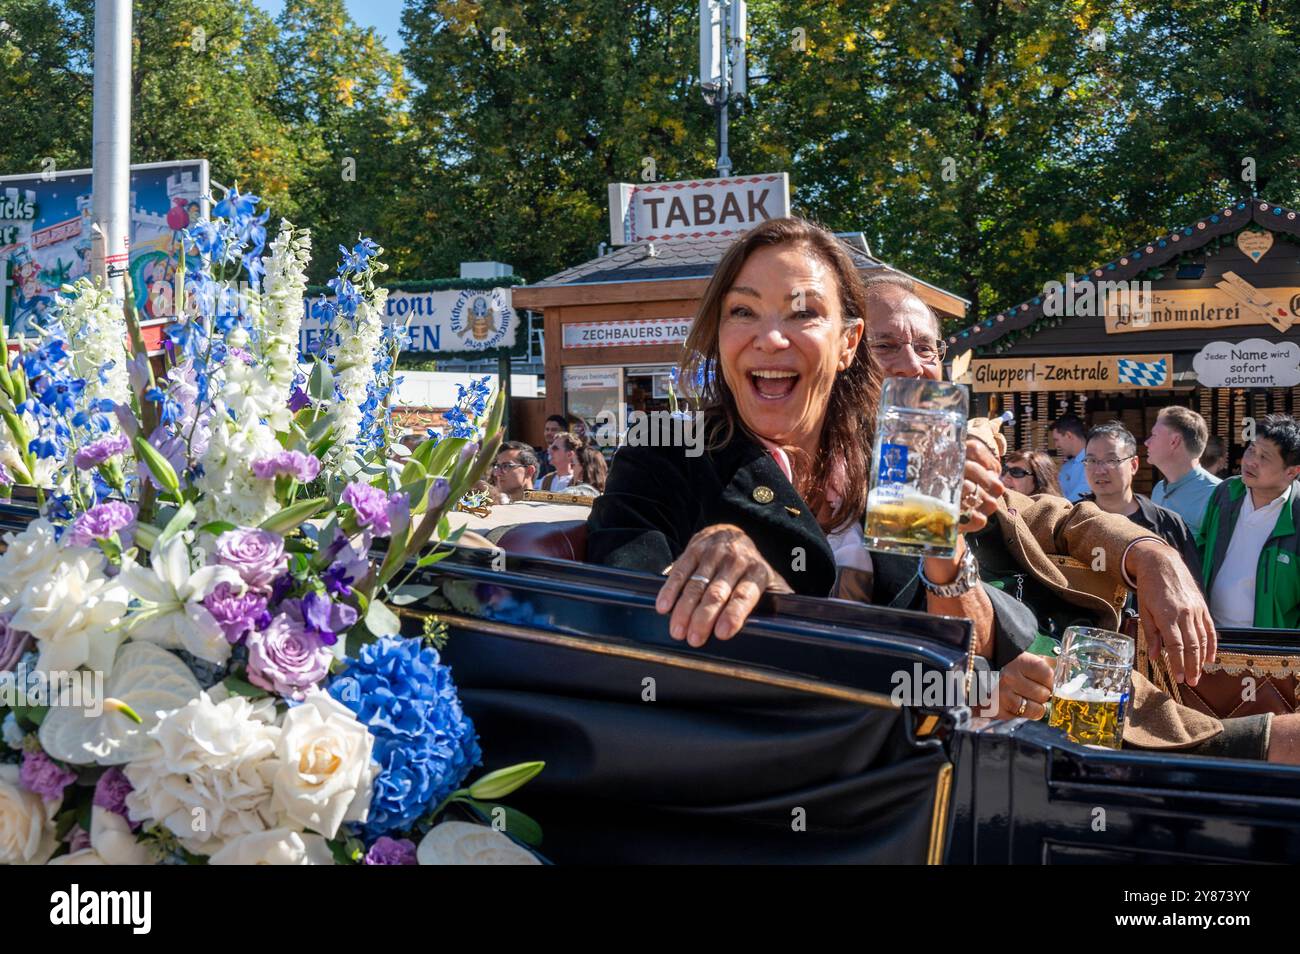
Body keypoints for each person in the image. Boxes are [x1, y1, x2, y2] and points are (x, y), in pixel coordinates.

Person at [588, 217, 1002, 658]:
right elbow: (622, 620)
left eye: (803, 312)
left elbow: (964, 657)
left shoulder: (898, 458)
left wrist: (944, 538)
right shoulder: (666, 454)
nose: (769, 338)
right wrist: (745, 579)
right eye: (743, 311)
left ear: (848, 344)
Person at [859, 273, 1215, 687]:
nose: (913, 366)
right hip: (980, 706)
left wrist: (1152, 554)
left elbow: (1059, 518)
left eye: (926, 348)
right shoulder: (828, 473)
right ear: (844, 351)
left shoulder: (927, 458)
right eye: (884, 346)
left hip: (1063, 682)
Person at [1199, 414, 1300, 630]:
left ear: (1291, 472)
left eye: (1265, 457)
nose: (1251, 461)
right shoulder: (1226, 493)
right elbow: (1201, 549)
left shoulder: (1297, 513)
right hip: (1213, 636)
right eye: (1252, 450)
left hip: (1272, 648)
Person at [1082, 421, 1200, 582]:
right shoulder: (1072, 521)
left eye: (1111, 460)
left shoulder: (1167, 525)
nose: (1099, 470)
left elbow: (1192, 588)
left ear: (1133, 465)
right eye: (1092, 461)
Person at [1146, 406, 1221, 536]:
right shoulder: (1159, 489)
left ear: (1174, 441)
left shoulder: (1216, 495)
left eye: (1154, 435)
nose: (1147, 442)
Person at [1048, 414, 1089, 501]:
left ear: (1069, 435)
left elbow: (1080, 497)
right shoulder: (1067, 466)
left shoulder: (1094, 462)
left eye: (1056, 440)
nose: (1056, 446)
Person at [534, 414, 568, 485]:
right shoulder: (536, 458)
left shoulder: (571, 458)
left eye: (554, 430)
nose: (549, 433)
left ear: (564, 432)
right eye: (547, 429)